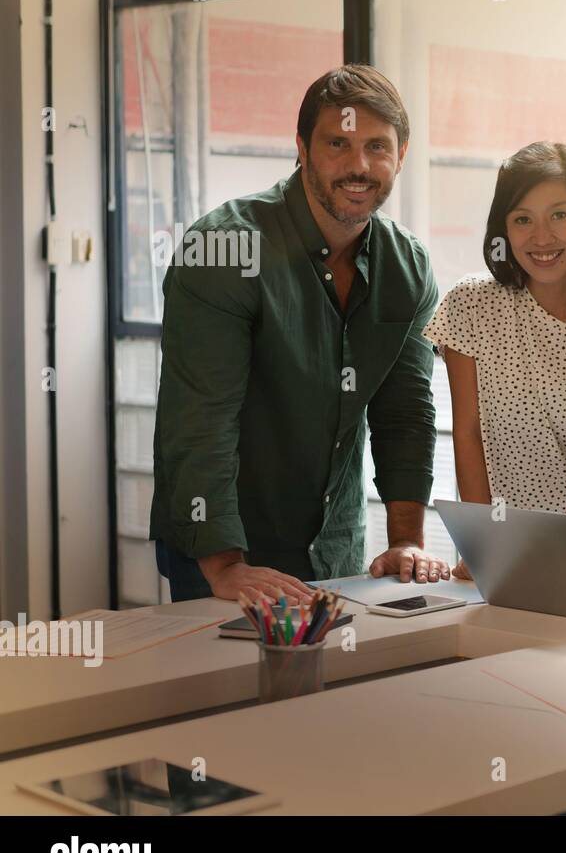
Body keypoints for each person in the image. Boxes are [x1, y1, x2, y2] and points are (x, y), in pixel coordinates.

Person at [150, 64, 451, 604]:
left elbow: (405, 413)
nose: (358, 166)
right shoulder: (223, 250)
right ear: (302, 148)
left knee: (333, 687)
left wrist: (406, 540)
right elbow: (201, 419)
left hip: (334, 542)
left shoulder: (407, 266)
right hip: (223, 547)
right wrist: (224, 567)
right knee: (227, 689)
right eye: (338, 143)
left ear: (401, 156)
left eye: (378, 147)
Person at [424, 142, 566, 591]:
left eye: (560, 215)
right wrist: (485, 547)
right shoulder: (472, 304)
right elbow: (467, 431)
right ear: (503, 229)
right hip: (496, 558)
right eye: (522, 219)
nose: (541, 237)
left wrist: (545, 555)